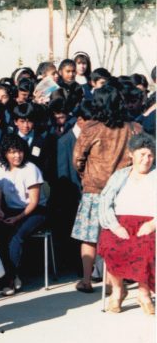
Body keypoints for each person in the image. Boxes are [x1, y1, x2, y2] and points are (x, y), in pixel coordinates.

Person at [71, 85, 141, 293]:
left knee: (89, 237)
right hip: (123, 191)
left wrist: (86, 176)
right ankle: (113, 281)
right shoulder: (133, 128)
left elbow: (77, 159)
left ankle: (86, 280)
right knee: (115, 236)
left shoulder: (91, 129)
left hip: (94, 190)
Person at [96, 133, 155, 314]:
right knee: (110, 245)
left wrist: (153, 224)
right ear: (132, 154)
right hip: (120, 222)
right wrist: (115, 226)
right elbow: (105, 202)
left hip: (149, 222)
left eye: (150, 155)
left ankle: (143, 294)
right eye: (142, 154)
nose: (146, 159)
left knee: (148, 247)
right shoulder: (119, 175)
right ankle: (117, 291)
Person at [0, 135, 47, 295]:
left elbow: (34, 202)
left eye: (20, 151)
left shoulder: (31, 169)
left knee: (16, 236)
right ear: (5, 154)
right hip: (11, 210)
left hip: (35, 211)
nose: (17, 156)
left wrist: (17, 218)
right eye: (12, 152)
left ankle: (11, 278)